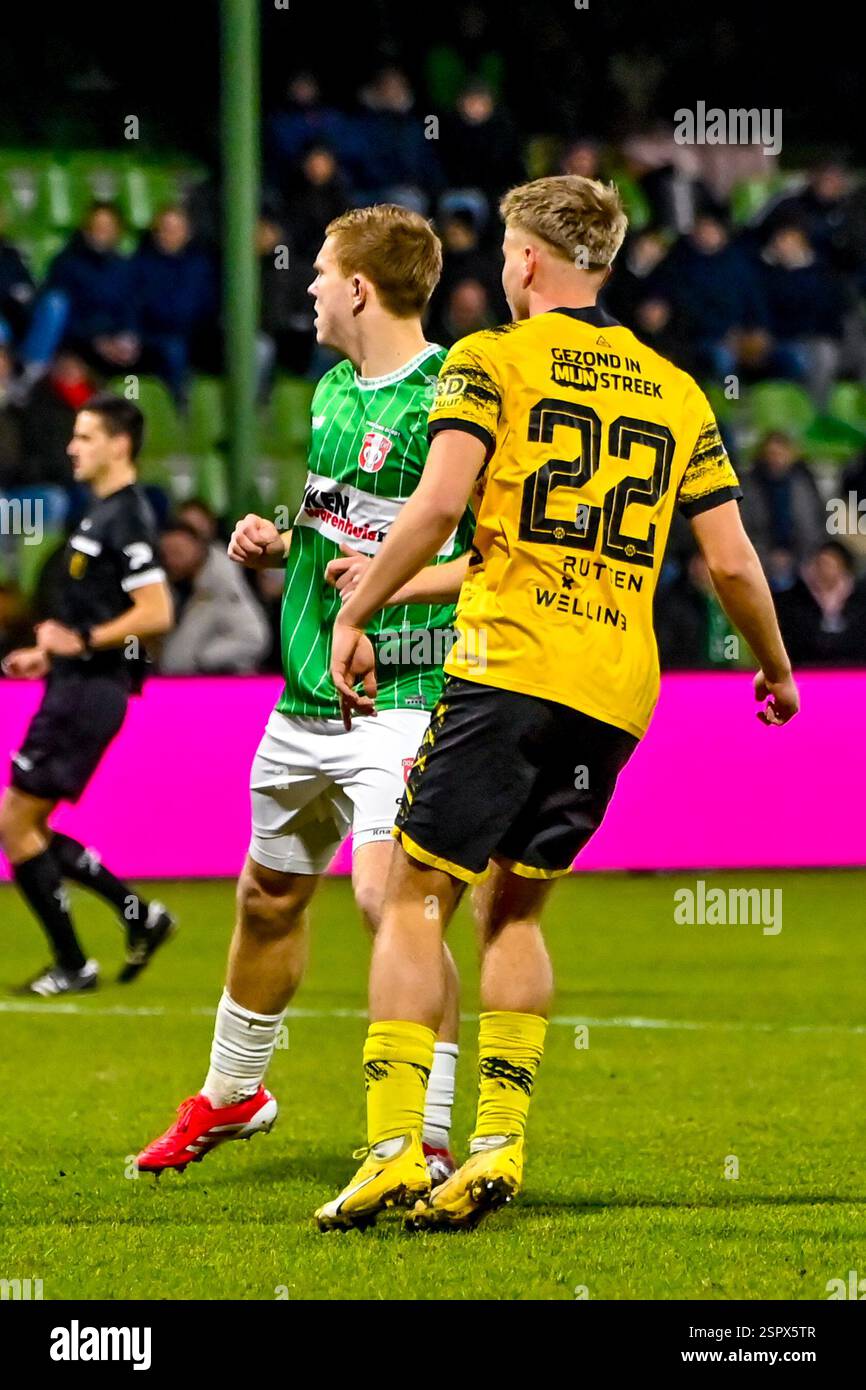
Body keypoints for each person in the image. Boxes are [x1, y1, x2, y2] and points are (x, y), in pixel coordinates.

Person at [317, 174, 800, 1232]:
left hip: (508, 664)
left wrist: (362, 607)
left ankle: (396, 1141)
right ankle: (497, 1140)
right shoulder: (674, 390)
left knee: (409, 895)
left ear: (526, 260)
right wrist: (772, 667)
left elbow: (443, 501)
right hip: (616, 687)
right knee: (517, 904)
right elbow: (729, 564)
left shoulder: (491, 359)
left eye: (500, 253)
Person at [135, 205, 476, 1184]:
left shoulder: (450, 397)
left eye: (322, 274)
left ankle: (435, 1129)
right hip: (300, 697)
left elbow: (491, 555)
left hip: (402, 694)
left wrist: (380, 583)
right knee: (267, 893)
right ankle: (235, 1091)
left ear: (360, 288)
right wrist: (281, 540)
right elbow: (343, 519)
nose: (311, 288)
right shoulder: (330, 392)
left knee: (390, 903)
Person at [0, 395, 176, 996]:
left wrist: (79, 640)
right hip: (74, 683)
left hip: (91, 692)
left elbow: (155, 612)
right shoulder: (97, 515)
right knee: (28, 824)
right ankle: (140, 917)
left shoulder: (127, 517)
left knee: (16, 822)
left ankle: (74, 963)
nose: (72, 447)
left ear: (118, 444)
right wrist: (48, 652)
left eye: (85, 436)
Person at [158, 519, 271, 675]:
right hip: (175, 683)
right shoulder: (179, 584)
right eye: (166, 555)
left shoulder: (223, 584)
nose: (171, 561)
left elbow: (253, 637)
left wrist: (203, 659)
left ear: (198, 548)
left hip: (216, 688)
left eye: (177, 552)